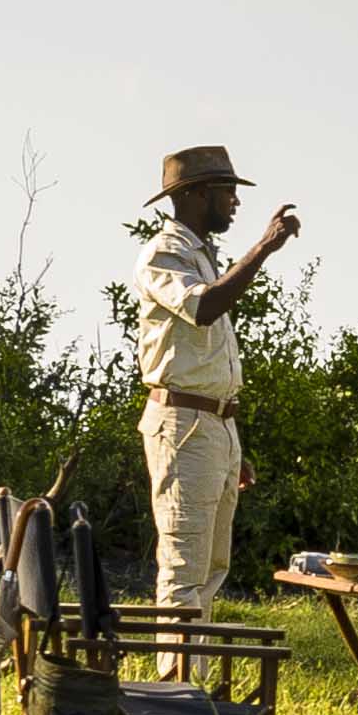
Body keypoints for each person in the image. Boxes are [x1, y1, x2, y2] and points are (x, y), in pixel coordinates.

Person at [132, 145, 301, 632]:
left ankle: (194, 689)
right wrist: (264, 247)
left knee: (211, 568)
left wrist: (231, 438)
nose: (236, 202)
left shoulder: (202, 257)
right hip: (183, 425)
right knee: (185, 569)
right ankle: (174, 694)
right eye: (228, 190)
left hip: (213, 425)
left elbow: (208, 362)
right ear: (196, 194)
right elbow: (202, 308)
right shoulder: (164, 252)